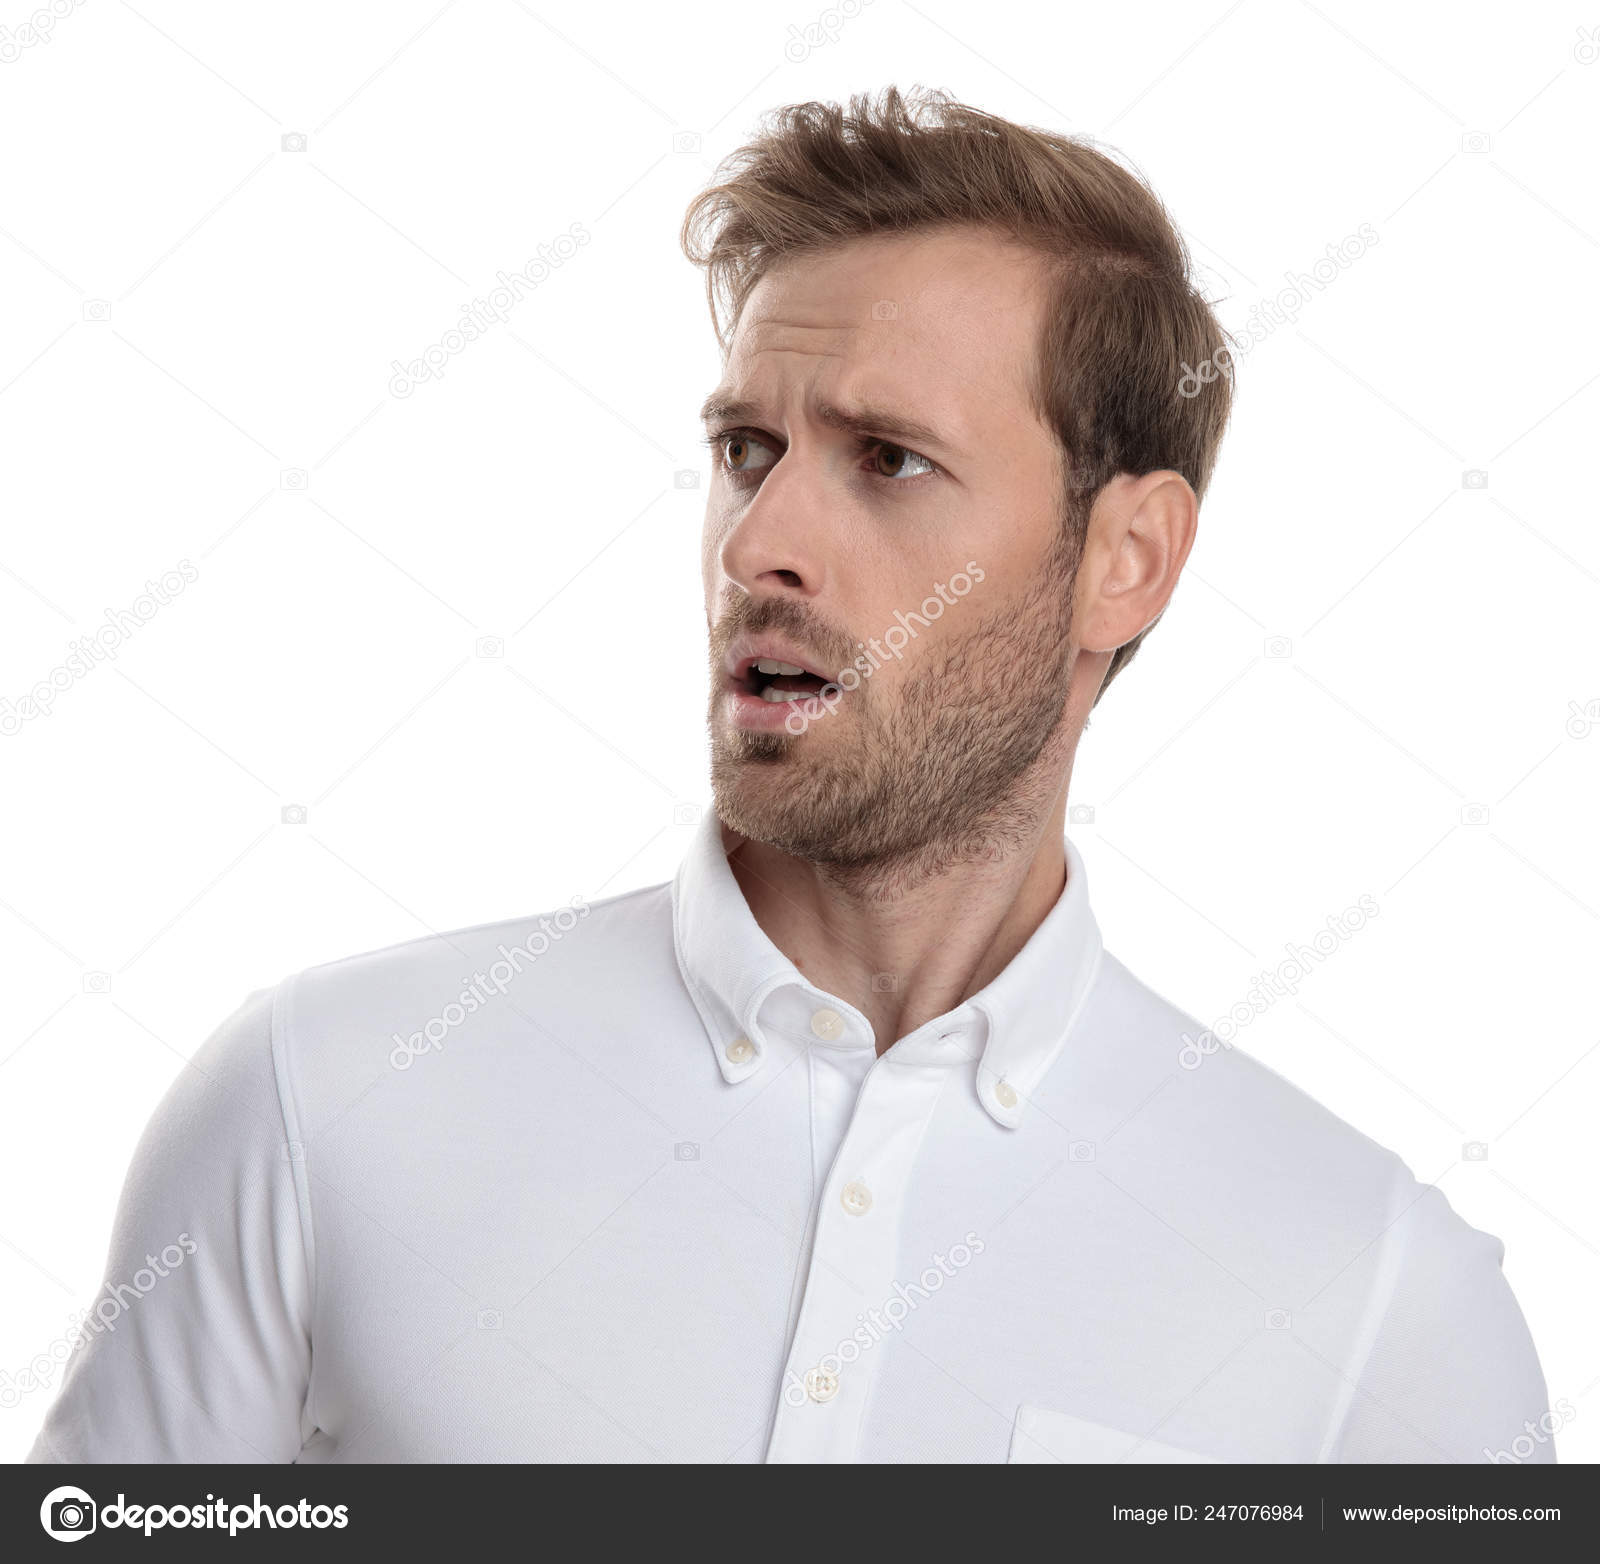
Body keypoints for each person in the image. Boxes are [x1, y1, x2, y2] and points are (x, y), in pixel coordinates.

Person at [29, 87, 1550, 1465]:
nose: (760, 545)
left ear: (1127, 559)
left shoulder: (1374, 1298)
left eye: (889, 459)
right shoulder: (321, 1101)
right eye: (747, 450)